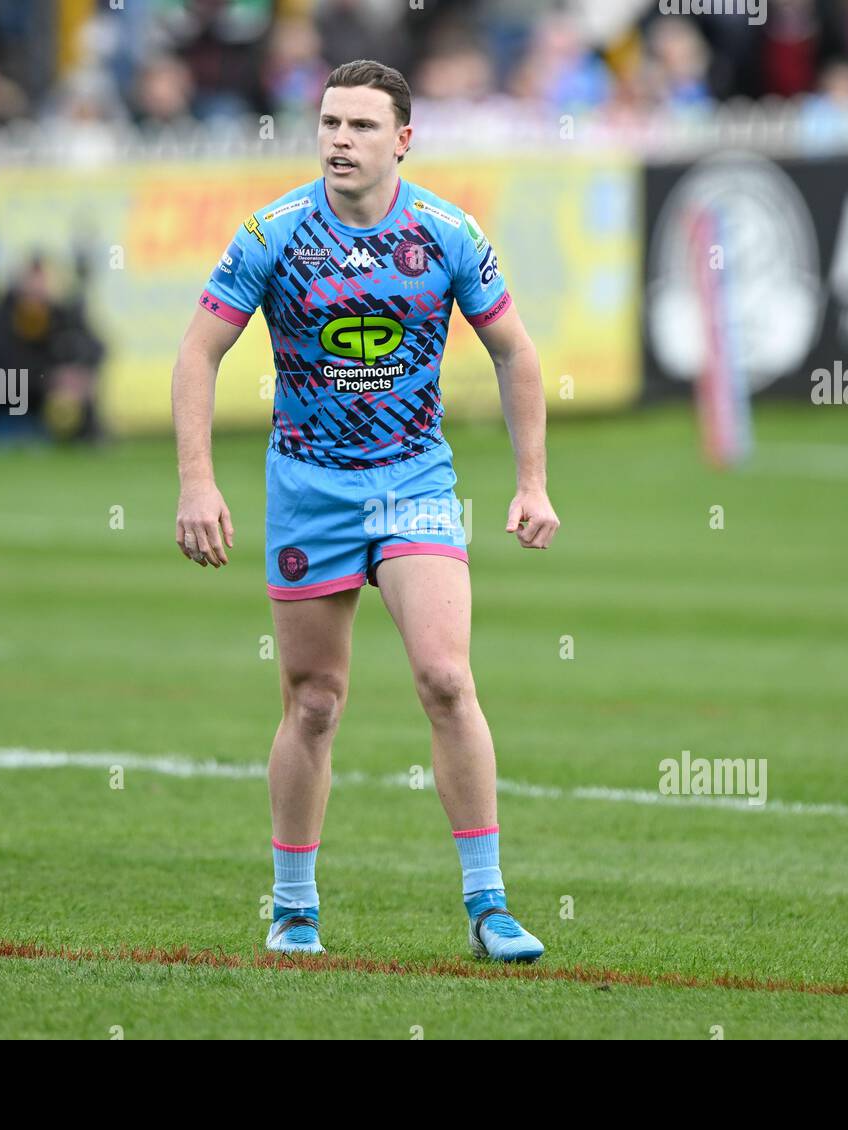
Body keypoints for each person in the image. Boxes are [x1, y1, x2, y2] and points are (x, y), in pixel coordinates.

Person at [171, 59, 559, 963]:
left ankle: (490, 906)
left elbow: (515, 352)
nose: (340, 140)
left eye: (361, 126)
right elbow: (197, 352)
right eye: (330, 123)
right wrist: (197, 481)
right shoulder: (272, 234)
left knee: (446, 679)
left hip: (414, 484)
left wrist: (532, 482)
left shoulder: (447, 233)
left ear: (403, 140)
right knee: (314, 701)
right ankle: (294, 910)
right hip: (309, 491)